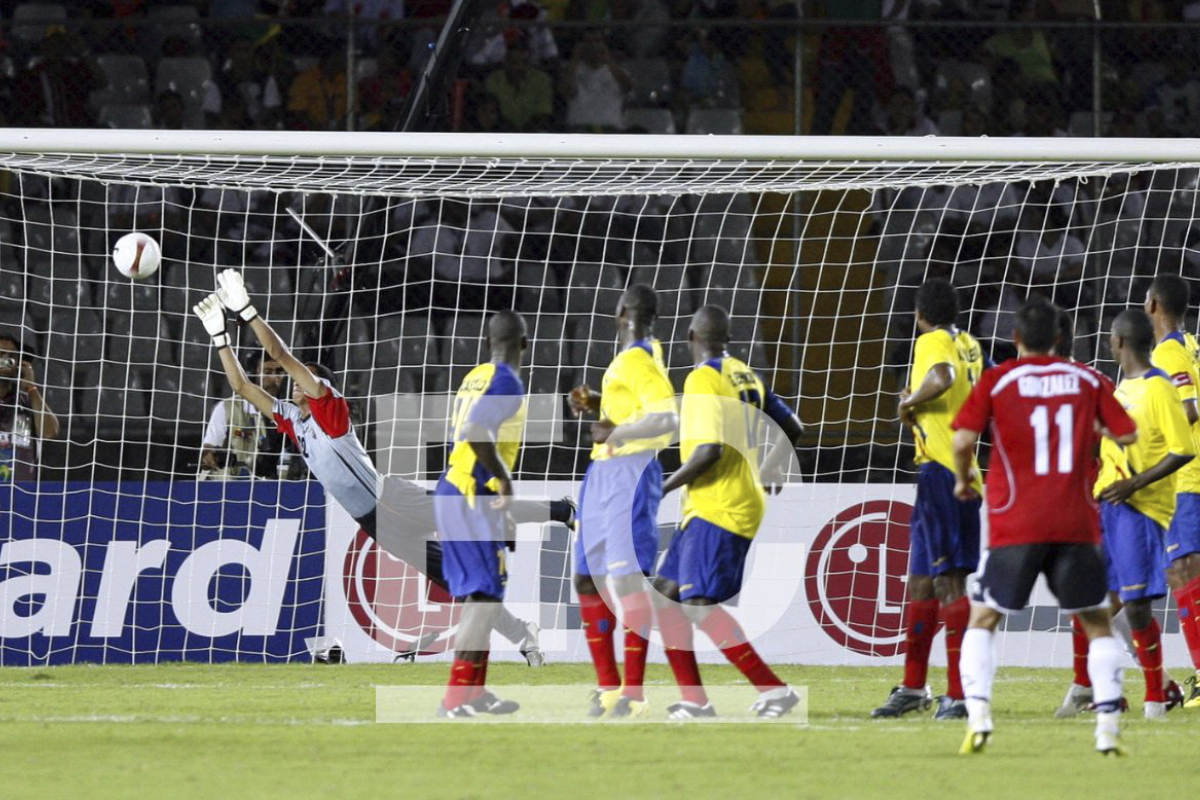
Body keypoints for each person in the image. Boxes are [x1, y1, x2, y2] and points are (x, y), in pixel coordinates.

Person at [193, 270, 573, 665]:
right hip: (378, 523)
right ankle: (524, 635)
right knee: (460, 586)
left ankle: (563, 509)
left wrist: (248, 312)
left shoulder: (330, 412)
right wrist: (221, 338)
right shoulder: (294, 421)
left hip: (391, 500)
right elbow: (242, 387)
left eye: (304, 379)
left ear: (321, 387)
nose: (293, 383)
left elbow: (282, 357)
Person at [951, 299, 1137, 756]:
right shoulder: (1090, 379)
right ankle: (1107, 731)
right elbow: (1128, 433)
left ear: (1016, 339)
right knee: (1096, 623)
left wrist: (962, 479)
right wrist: (1093, 427)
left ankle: (978, 718)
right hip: (1075, 522)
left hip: (1016, 522)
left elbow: (962, 439)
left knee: (984, 618)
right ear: (1059, 339)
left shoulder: (999, 379)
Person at [652, 305, 804, 719]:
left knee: (698, 603)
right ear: (727, 338)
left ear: (689, 337)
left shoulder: (702, 378)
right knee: (666, 596)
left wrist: (659, 489)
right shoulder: (745, 373)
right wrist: (773, 463)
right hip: (714, 503)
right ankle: (694, 700)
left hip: (722, 503)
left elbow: (708, 452)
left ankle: (775, 691)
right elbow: (794, 426)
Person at [872, 279, 986, 721]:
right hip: (941, 470)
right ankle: (915, 687)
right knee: (920, 583)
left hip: (946, 474)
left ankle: (959, 693)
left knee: (948, 584)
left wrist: (908, 403)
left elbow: (943, 377)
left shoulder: (932, 341)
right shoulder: (970, 343)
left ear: (919, 315)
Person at [568, 284, 677, 717]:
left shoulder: (638, 358)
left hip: (629, 472)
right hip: (603, 472)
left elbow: (667, 416)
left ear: (622, 312)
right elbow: (639, 410)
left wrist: (617, 431)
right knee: (585, 578)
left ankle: (632, 694)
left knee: (629, 579)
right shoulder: (638, 356)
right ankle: (609, 688)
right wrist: (599, 405)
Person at [1091, 309, 1193, 718]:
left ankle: (1155, 697)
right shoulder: (1121, 390)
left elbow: (1182, 448)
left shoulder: (1158, 387)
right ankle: (1125, 689)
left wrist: (1134, 484)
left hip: (1141, 508)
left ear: (1119, 343)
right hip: (1108, 507)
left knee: (1135, 605)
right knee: (1098, 604)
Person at [434, 311, 530, 717]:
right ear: (524, 343)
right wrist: (505, 481)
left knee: (486, 595)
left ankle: (474, 692)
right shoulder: (507, 379)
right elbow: (477, 432)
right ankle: (455, 700)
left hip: (460, 490)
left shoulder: (476, 374)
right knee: (482, 596)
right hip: (471, 494)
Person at [1144, 274, 1200, 707]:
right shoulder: (1190, 345)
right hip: (1192, 474)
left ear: (1153, 306)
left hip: (1187, 477)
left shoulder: (1167, 350)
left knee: (1183, 570)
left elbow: (1187, 409)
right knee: (1183, 571)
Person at [200, 351, 293, 480]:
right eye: (267, 372)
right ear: (252, 374)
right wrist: (215, 456)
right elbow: (207, 454)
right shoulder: (227, 409)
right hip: (230, 486)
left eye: (279, 372)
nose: (275, 378)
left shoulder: (290, 412)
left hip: (275, 487)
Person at [0, 333, 60, 482]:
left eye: (11, 355)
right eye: (0, 354)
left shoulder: (27, 402)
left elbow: (49, 432)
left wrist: (32, 389)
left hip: (22, 495)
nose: (5, 360)